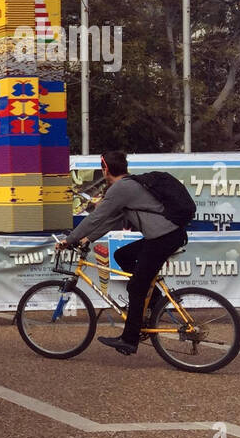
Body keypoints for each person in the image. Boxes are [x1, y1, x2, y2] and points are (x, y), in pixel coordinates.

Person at [57, 150, 186, 355]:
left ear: (105, 169)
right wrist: (87, 239)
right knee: (123, 256)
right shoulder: (128, 187)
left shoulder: (121, 188)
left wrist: (69, 239)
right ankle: (154, 303)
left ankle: (129, 339)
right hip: (165, 235)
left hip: (163, 238)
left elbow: (95, 218)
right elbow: (110, 221)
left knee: (136, 286)